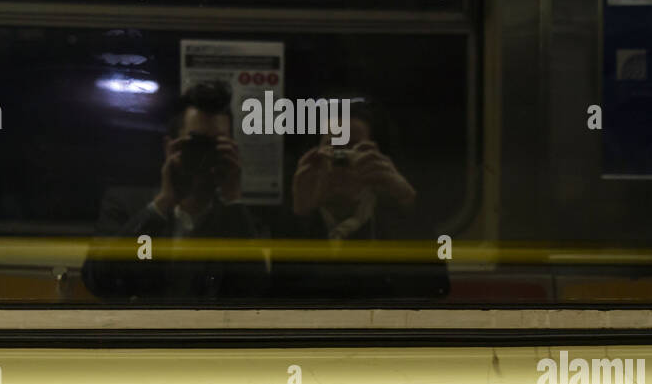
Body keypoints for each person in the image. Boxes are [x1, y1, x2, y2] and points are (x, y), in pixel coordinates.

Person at [82, 80, 267, 302]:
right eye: (196, 144)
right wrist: (161, 207)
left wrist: (232, 199)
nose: (205, 155)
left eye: (216, 145)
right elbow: (100, 280)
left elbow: (255, 292)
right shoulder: (127, 206)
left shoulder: (241, 221)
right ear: (169, 147)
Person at [274, 96, 449, 301]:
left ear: (375, 157)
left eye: (354, 149)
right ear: (313, 155)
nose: (341, 161)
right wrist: (300, 216)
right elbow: (278, 298)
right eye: (333, 148)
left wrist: (407, 200)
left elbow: (434, 289)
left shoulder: (391, 218)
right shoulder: (294, 214)